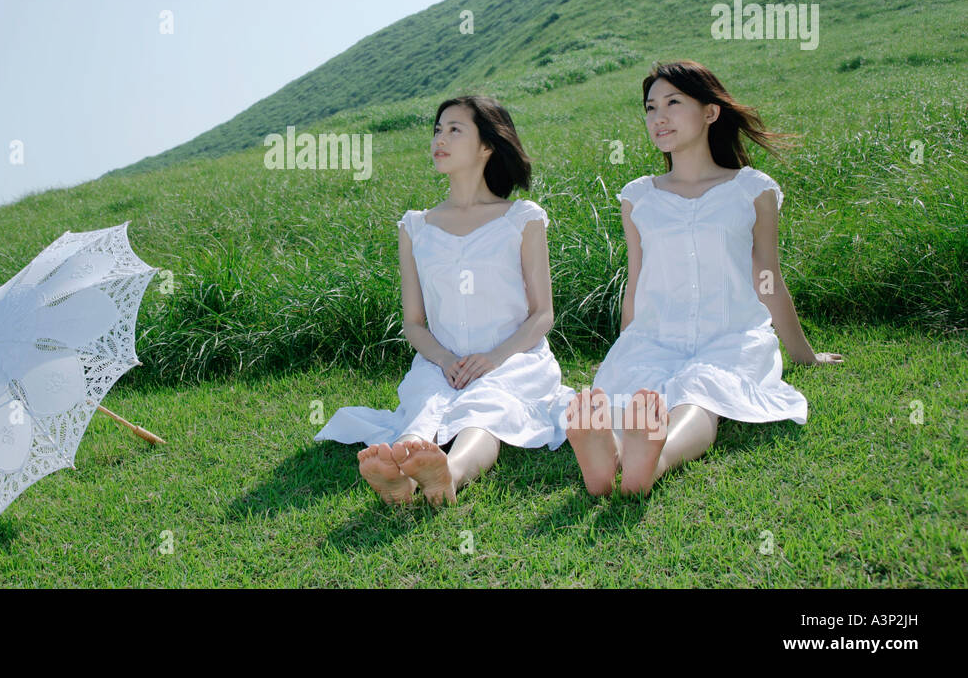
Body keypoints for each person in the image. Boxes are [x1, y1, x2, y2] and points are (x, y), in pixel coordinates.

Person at [565, 60, 843, 497]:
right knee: (631, 394)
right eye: (651, 107)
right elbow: (635, 281)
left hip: (730, 337)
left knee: (700, 393)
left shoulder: (752, 189)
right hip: (656, 335)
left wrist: (804, 355)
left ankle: (653, 463)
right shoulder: (640, 197)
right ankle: (610, 456)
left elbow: (767, 276)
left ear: (710, 112)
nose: (659, 116)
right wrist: (625, 349)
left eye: (674, 103)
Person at [315, 94, 576, 505]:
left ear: (487, 145)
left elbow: (542, 314)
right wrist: (444, 360)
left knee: (485, 413)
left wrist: (492, 358)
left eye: (455, 129)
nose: (440, 138)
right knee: (424, 409)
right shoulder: (416, 226)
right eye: (437, 129)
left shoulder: (521, 218)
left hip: (513, 358)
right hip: (441, 360)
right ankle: (400, 473)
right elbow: (414, 322)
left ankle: (448, 474)